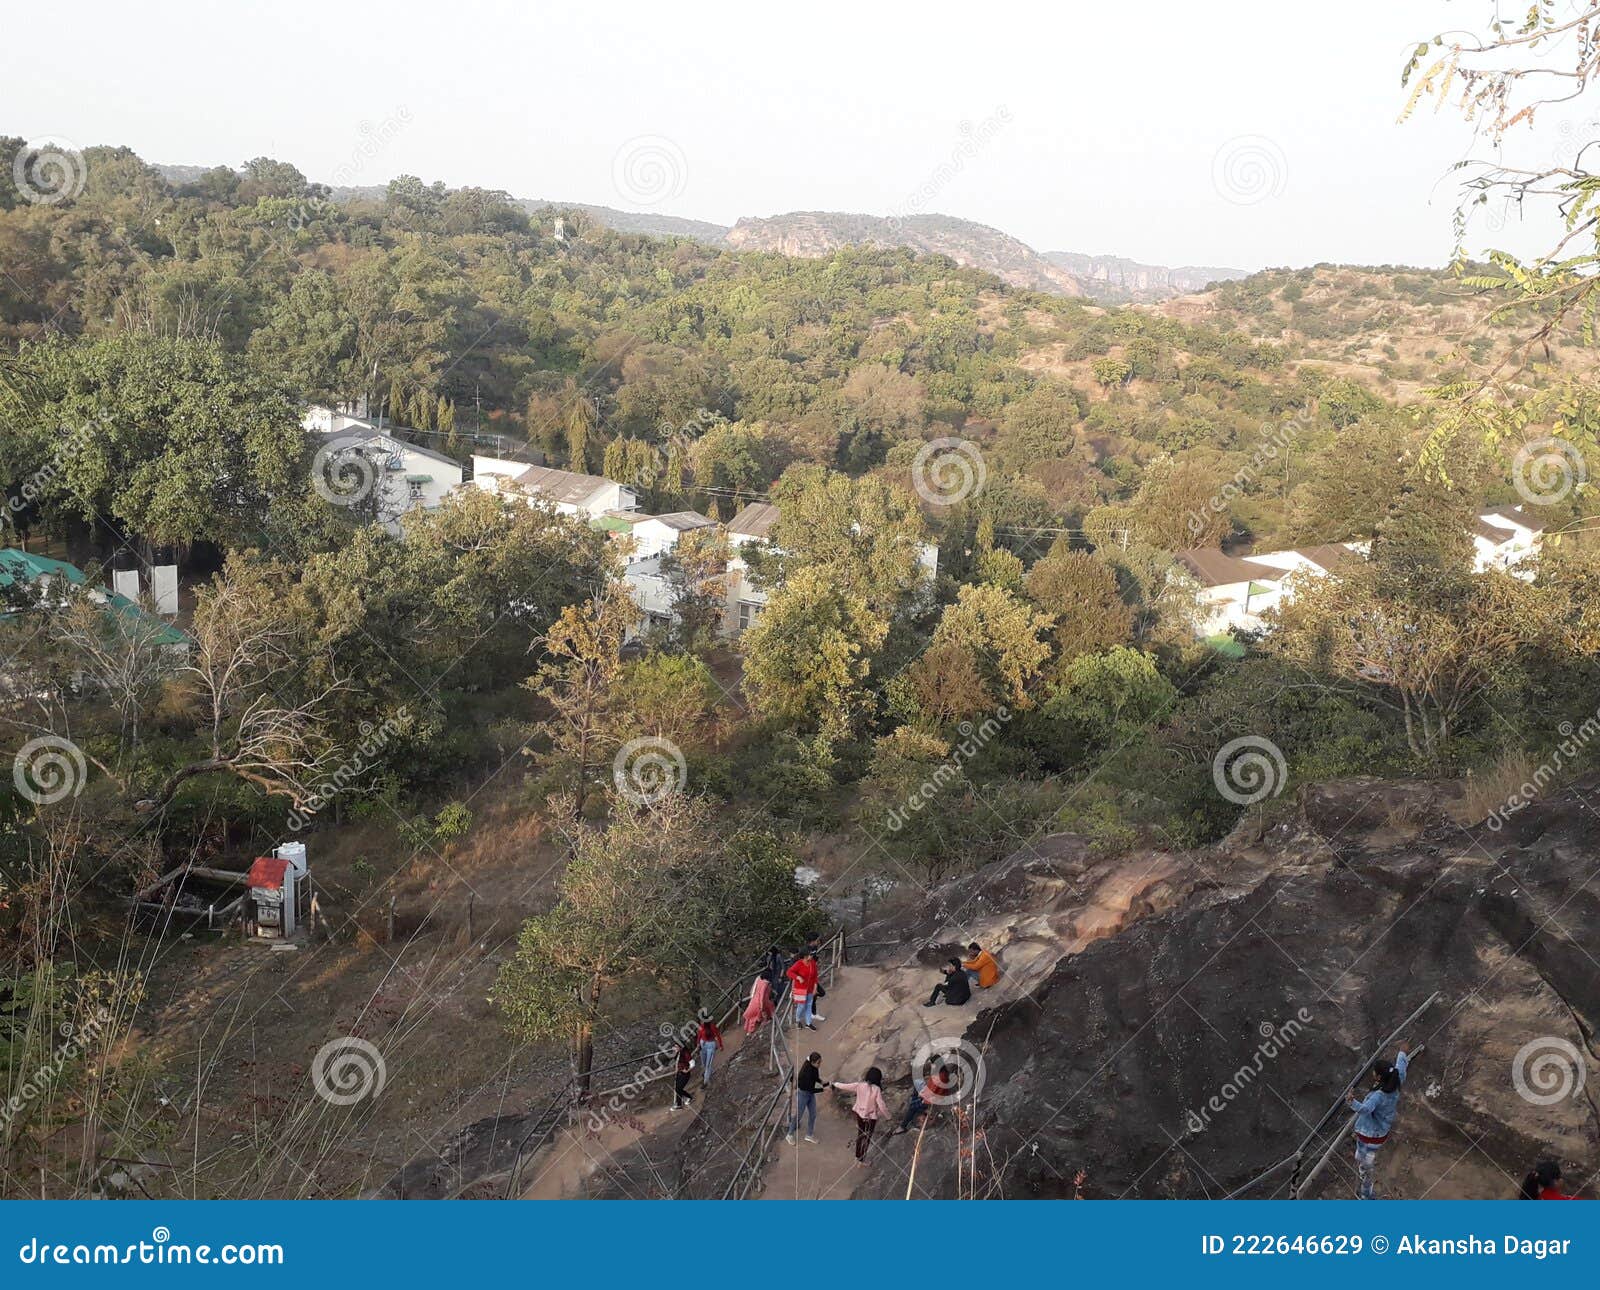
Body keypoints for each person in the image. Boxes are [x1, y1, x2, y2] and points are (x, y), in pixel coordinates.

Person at [1347, 1045, 1408, 1199]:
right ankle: (1364, 1168)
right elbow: (1401, 1066)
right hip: (1381, 1133)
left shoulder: (1379, 1096)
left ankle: (1366, 1195)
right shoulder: (1396, 1080)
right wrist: (1402, 1052)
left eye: (1374, 1071)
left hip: (1369, 1136)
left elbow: (1365, 1109)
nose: (1372, 1073)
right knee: (1366, 1155)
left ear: (1379, 1077)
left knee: (1365, 1165)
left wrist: (1351, 1101)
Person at [832, 1066, 889, 1165]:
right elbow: (881, 1105)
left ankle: (857, 1157)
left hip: (859, 1115)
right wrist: (888, 1116)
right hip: (870, 1118)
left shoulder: (859, 1085)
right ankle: (861, 1160)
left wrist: (835, 1084)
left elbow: (846, 1086)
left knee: (860, 1135)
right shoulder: (877, 1090)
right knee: (866, 1138)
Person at [890, 1063, 957, 1136]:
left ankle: (903, 1126)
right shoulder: (943, 1073)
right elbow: (932, 1089)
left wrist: (922, 1095)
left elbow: (932, 1092)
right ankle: (916, 1102)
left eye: (933, 1064)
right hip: (934, 1095)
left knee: (912, 1106)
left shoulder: (938, 1077)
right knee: (917, 1083)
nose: (932, 1066)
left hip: (931, 1099)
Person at [786, 1051, 829, 1145]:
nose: (820, 1064)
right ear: (813, 1062)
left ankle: (809, 1135)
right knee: (798, 1116)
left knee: (813, 1114)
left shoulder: (813, 1067)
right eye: (818, 1063)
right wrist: (823, 1089)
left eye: (820, 1062)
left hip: (810, 1094)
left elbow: (816, 1077)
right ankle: (789, 1135)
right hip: (803, 1094)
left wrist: (823, 1083)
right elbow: (811, 1088)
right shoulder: (806, 1073)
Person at [786, 951, 821, 1029]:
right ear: (805, 956)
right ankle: (798, 1020)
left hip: (810, 988)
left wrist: (815, 987)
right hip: (800, 989)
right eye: (810, 955)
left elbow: (815, 976)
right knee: (801, 1006)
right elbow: (789, 972)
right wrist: (797, 977)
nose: (811, 956)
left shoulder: (812, 963)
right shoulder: (799, 964)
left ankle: (808, 1023)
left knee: (809, 1005)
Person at [697, 1015, 724, 1086]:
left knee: (708, 1064)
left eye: (702, 1021)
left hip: (711, 1045)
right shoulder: (701, 1027)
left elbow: (717, 1035)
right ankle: (709, 1072)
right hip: (703, 1043)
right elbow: (699, 1035)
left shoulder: (712, 1027)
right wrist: (698, 1044)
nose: (701, 1022)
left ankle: (705, 1081)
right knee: (704, 1062)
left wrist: (720, 1045)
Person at [671, 1039, 695, 1110]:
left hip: (685, 1074)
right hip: (679, 1073)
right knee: (677, 1089)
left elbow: (692, 1063)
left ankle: (679, 1104)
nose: (674, 1048)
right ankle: (688, 1098)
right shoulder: (679, 1052)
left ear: (680, 1046)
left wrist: (687, 1070)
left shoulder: (685, 1053)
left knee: (678, 1089)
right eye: (674, 1046)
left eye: (676, 1046)